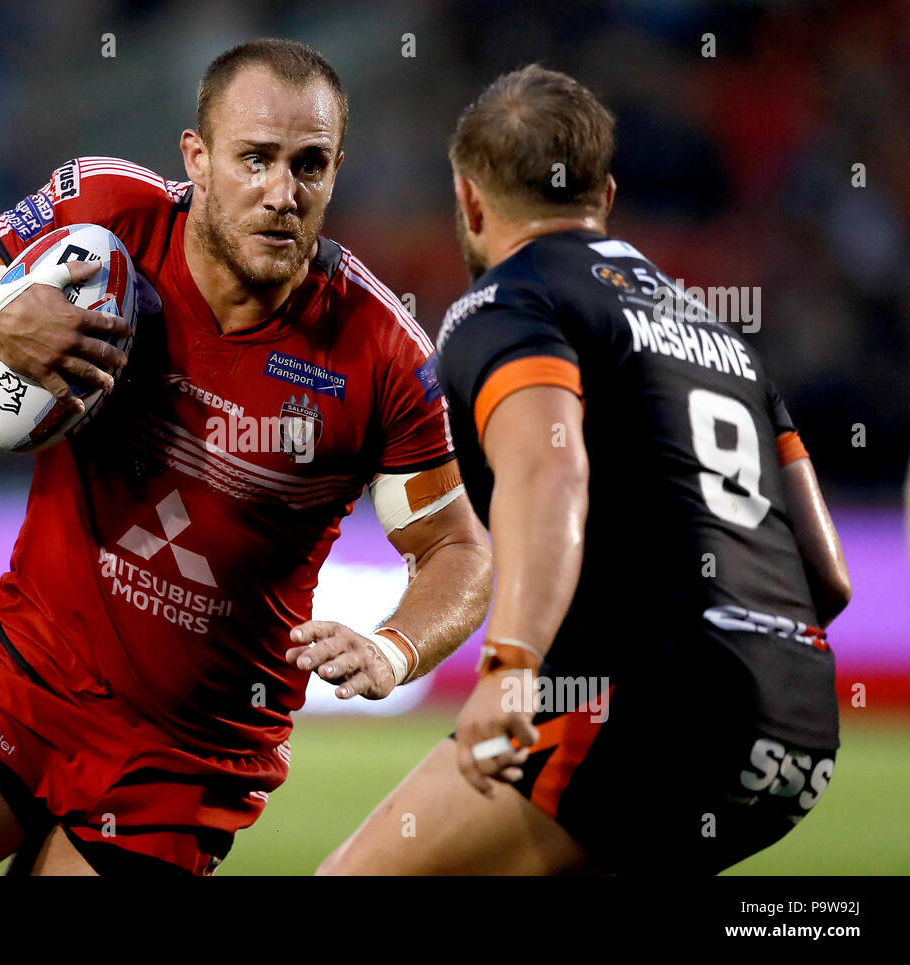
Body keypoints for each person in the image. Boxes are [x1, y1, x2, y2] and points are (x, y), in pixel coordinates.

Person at [0, 38, 492, 876]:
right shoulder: (104, 217)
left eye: (310, 165)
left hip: (187, 757)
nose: (282, 194)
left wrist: (396, 647)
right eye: (254, 159)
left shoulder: (383, 352)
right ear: (198, 157)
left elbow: (458, 549)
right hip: (29, 673)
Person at [319, 65, 851, 875]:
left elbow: (548, 469)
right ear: (604, 194)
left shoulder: (511, 306)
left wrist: (512, 667)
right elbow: (829, 576)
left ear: (467, 199)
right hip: (800, 729)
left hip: (649, 705)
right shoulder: (719, 339)